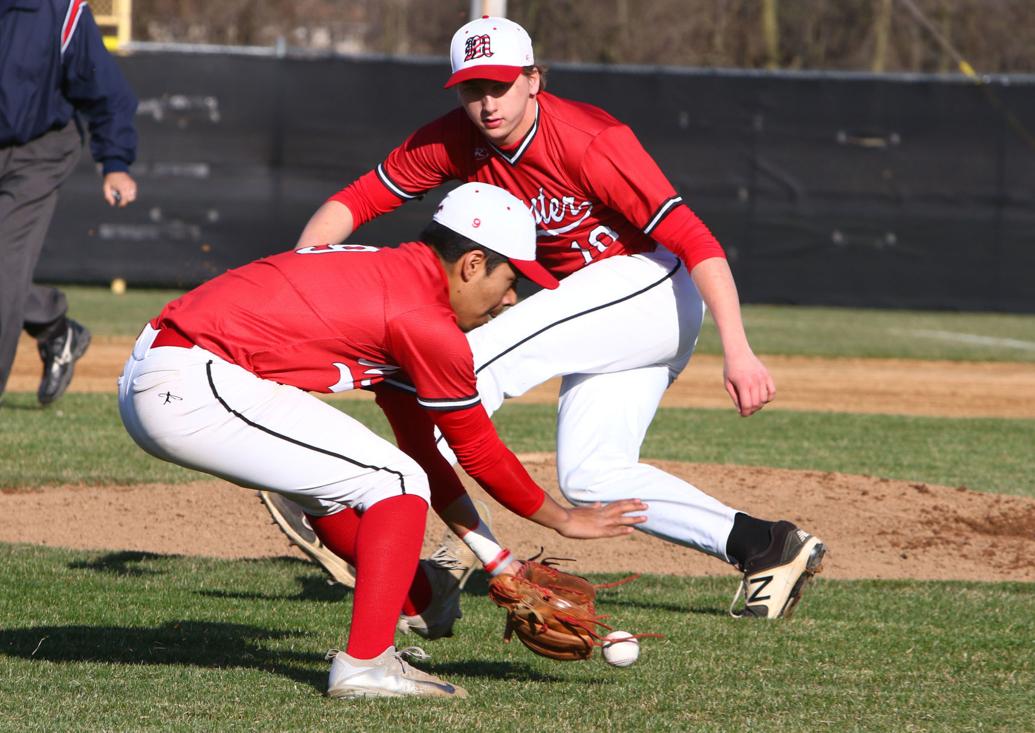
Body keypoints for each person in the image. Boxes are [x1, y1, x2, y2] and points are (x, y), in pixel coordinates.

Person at [274, 15, 827, 621]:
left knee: (461, 365)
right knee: (592, 477)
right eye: (472, 88)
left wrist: (738, 350)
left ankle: (370, 511)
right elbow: (355, 201)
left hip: (649, 288)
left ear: (534, 79)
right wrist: (302, 280)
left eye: (500, 84)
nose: (487, 103)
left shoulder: (590, 139)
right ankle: (765, 545)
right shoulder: (453, 139)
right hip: (603, 321)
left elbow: (695, 238)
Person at [118, 182, 647, 699]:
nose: (511, 298)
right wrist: (563, 519)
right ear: (471, 264)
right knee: (394, 480)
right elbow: (478, 452)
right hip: (192, 382)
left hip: (172, 371)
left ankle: (422, 599)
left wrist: (498, 561)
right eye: (511, 278)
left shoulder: (395, 276)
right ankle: (366, 666)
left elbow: (424, 451)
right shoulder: (424, 321)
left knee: (362, 483)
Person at [0, 0, 138, 406]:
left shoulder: (61, 11)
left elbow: (107, 92)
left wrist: (115, 162)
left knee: (3, 268)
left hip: (37, 152)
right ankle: (53, 328)